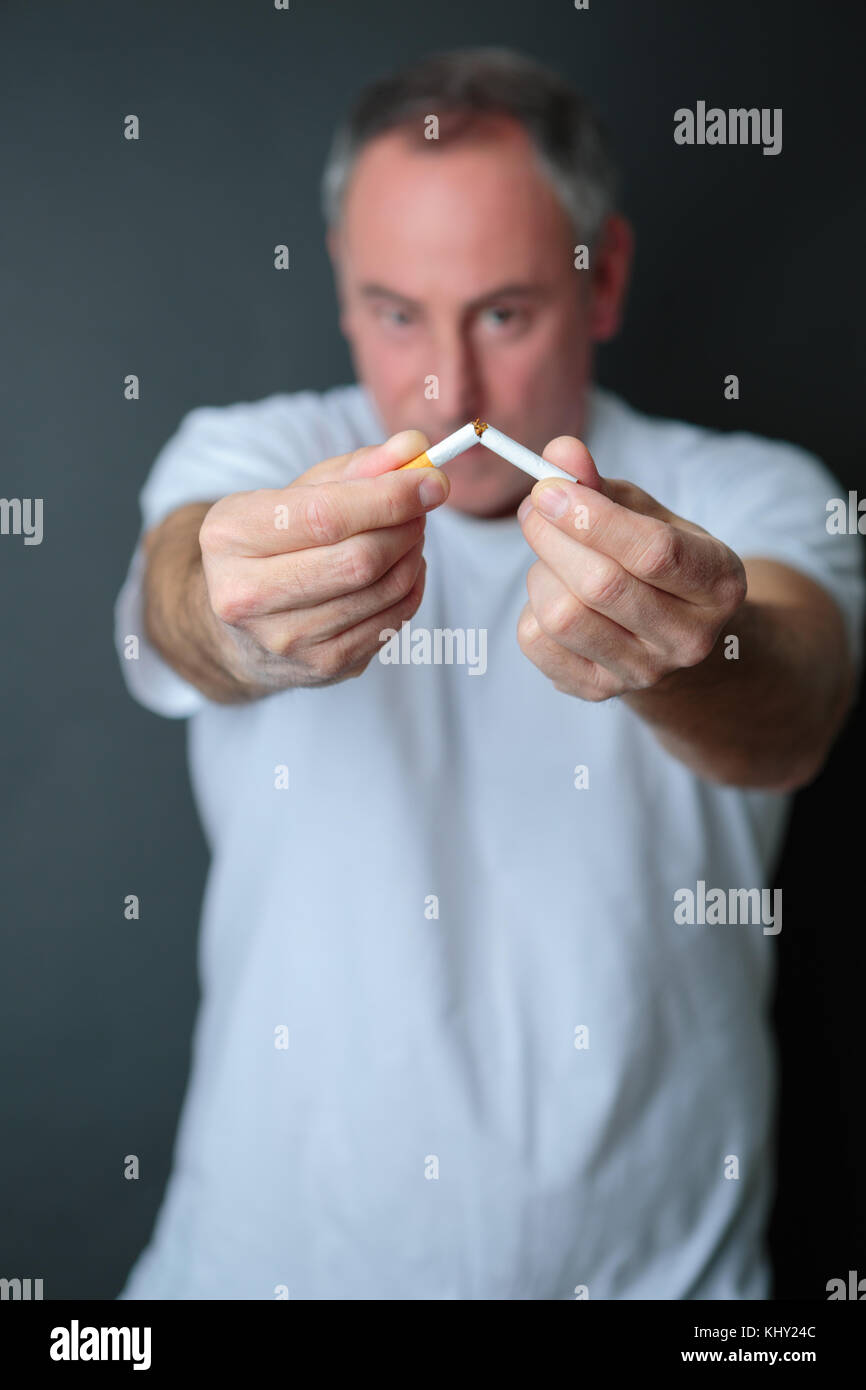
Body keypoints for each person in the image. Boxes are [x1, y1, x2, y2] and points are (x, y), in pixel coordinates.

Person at [114, 47, 863, 1300]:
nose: (446, 389)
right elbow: (179, 594)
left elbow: (789, 707)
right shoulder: (249, 454)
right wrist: (236, 618)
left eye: (503, 313)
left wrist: (672, 647)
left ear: (602, 277)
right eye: (395, 311)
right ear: (343, 293)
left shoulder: (753, 493)